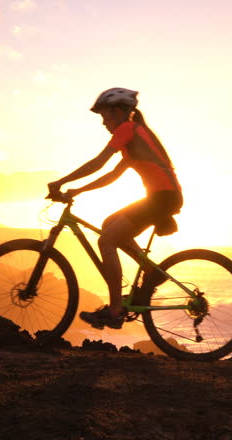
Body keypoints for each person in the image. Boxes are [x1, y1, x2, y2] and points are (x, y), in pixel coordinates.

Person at [48, 88, 183, 330]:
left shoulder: (127, 129)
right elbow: (110, 175)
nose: (103, 122)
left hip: (162, 197)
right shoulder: (134, 137)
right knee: (109, 225)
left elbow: (98, 163)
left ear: (119, 111)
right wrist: (77, 191)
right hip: (162, 196)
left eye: (106, 116)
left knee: (106, 241)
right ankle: (151, 272)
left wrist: (61, 182)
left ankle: (115, 310)